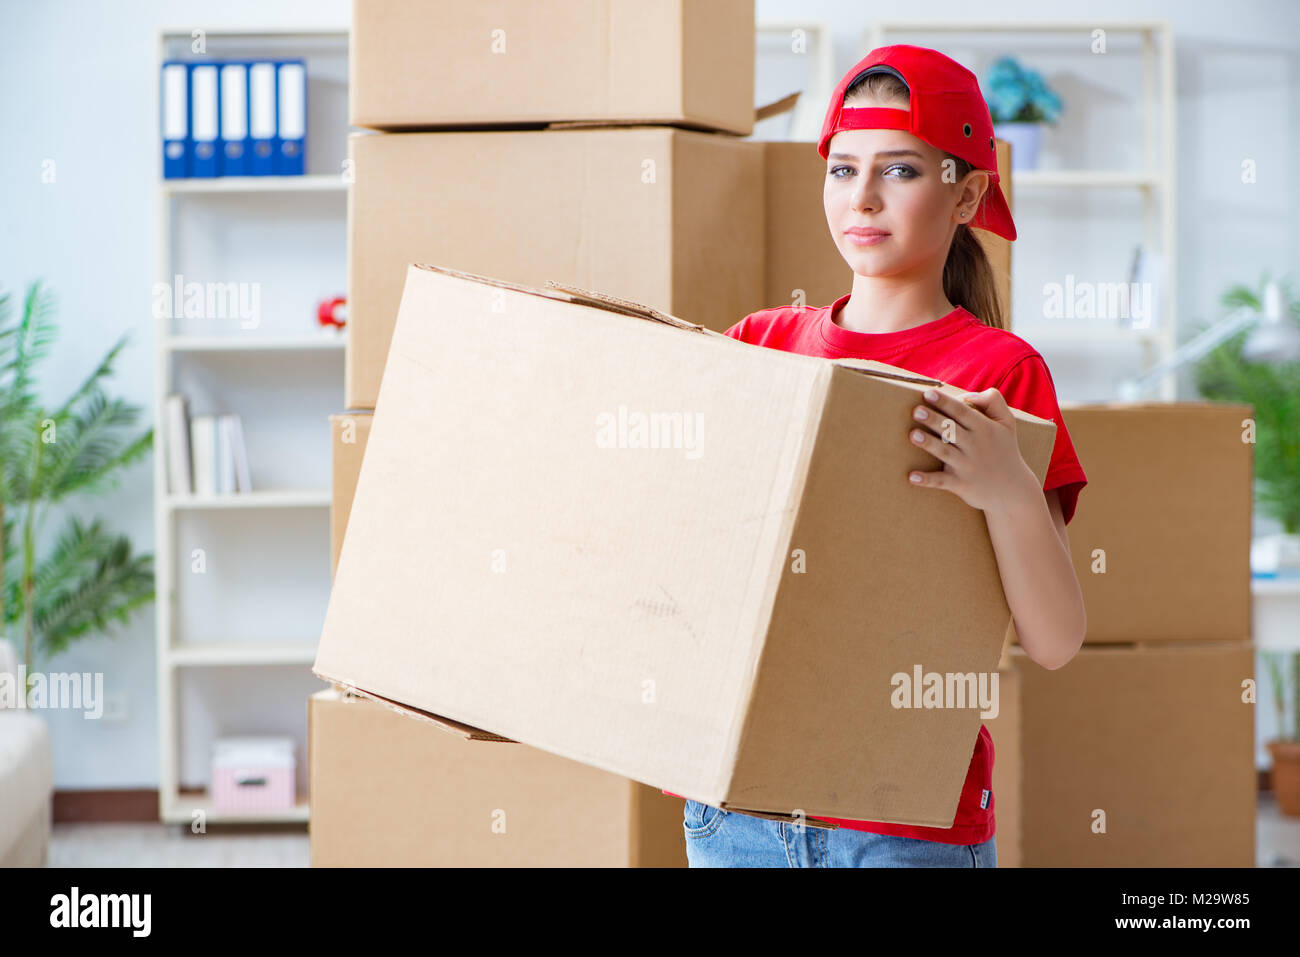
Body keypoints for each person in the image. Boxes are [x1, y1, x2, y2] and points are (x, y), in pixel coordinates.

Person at [670, 44, 1089, 868]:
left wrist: (1006, 489)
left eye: (899, 171)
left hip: (904, 825)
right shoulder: (761, 345)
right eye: (842, 169)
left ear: (967, 192)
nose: (861, 197)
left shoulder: (999, 375)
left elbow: (1055, 639)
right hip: (736, 812)